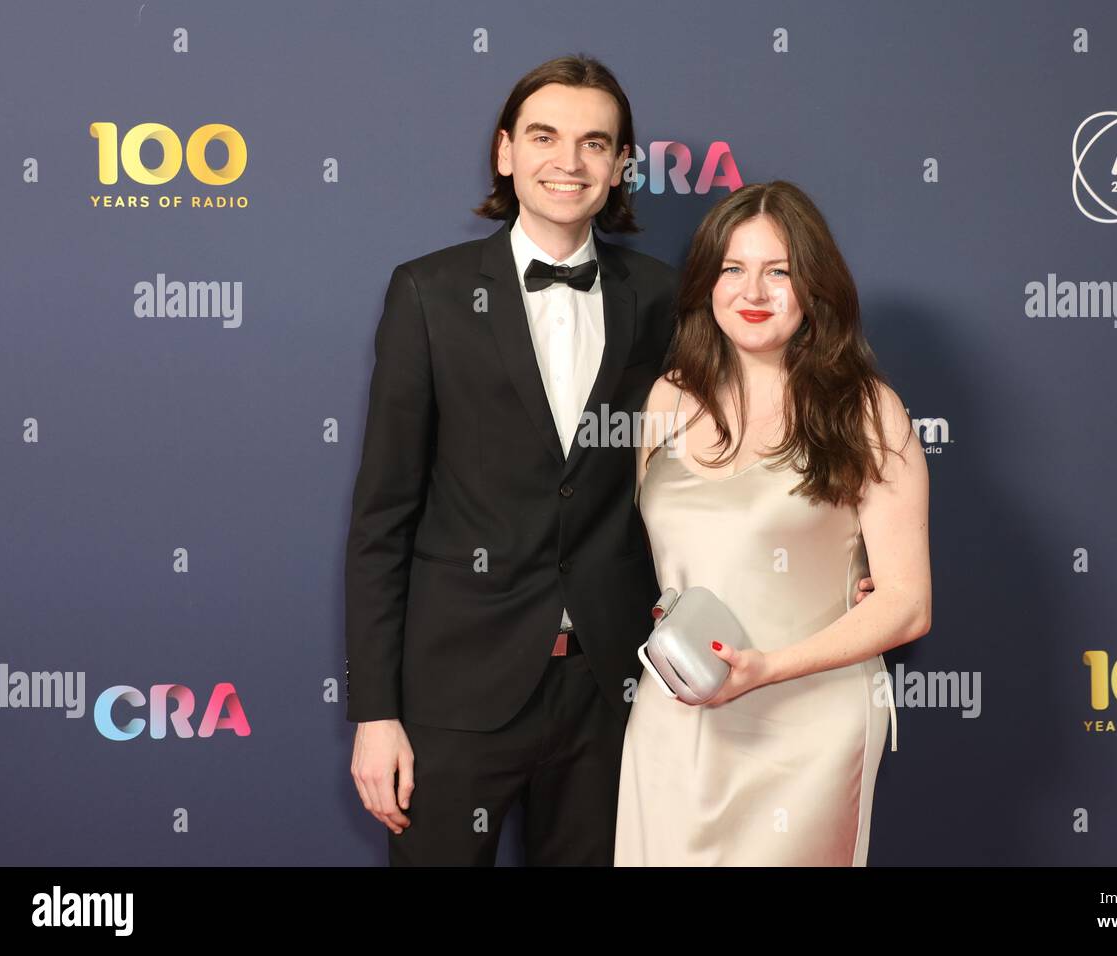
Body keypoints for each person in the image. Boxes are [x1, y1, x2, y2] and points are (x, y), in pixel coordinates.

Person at [342, 55, 682, 865]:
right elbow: (382, 518)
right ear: (505, 152)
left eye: (595, 143)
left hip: (613, 692)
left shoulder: (666, 297)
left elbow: (725, 462)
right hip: (454, 695)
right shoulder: (428, 293)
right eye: (545, 136)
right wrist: (376, 713)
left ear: (621, 166)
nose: (569, 161)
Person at [614, 181, 931, 866]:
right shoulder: (669, 396)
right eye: (733, 269)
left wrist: (767, 668)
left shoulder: (868, 410)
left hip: (806, 730)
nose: (753, 292)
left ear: (814, 286)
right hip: (679, 715)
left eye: (779, 271)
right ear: (706, 282)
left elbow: (906, 604)